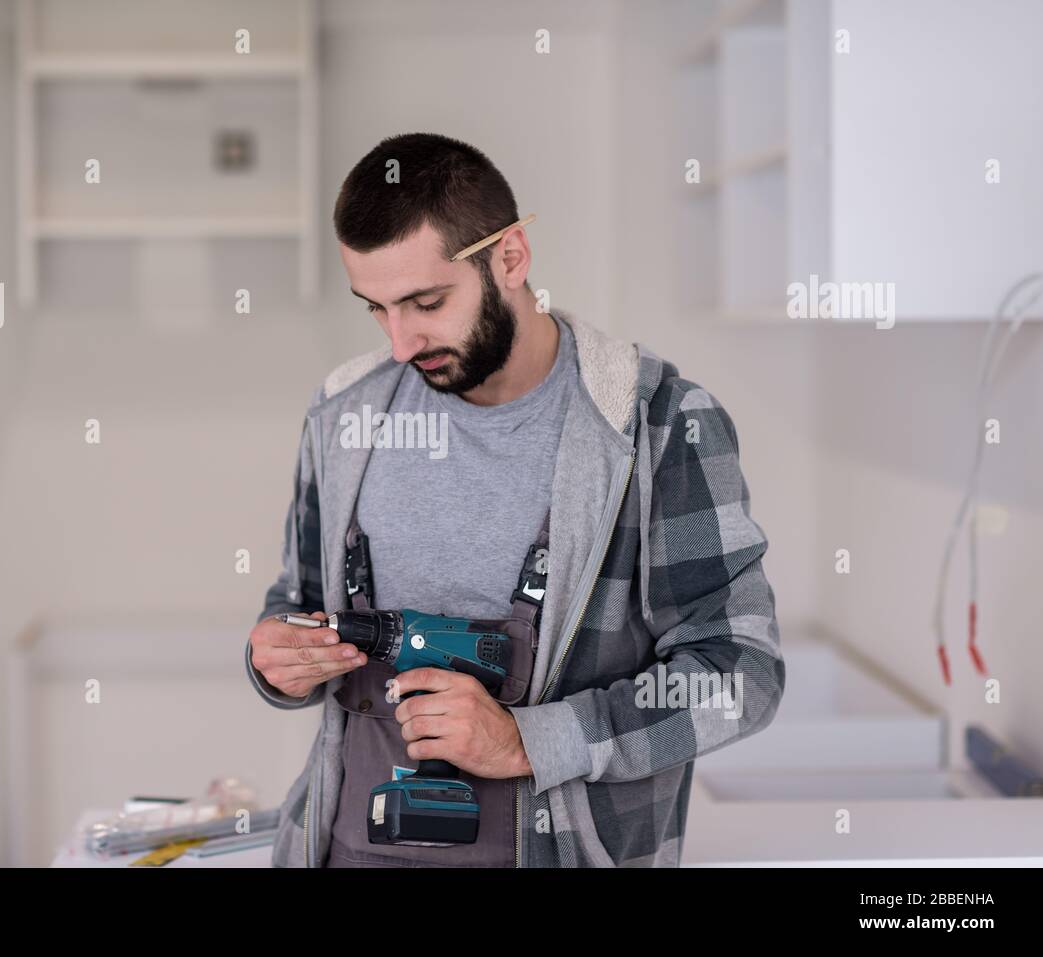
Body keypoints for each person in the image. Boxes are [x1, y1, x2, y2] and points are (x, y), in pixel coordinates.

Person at [246, 132, 785, 867]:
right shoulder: (346, 413)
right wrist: (277, 654)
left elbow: (741, 673)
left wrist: (535, 739)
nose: (401, 343)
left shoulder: (658, 425)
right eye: (375, 309)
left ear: (510, 258)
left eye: (426, 302)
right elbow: (294, 597)